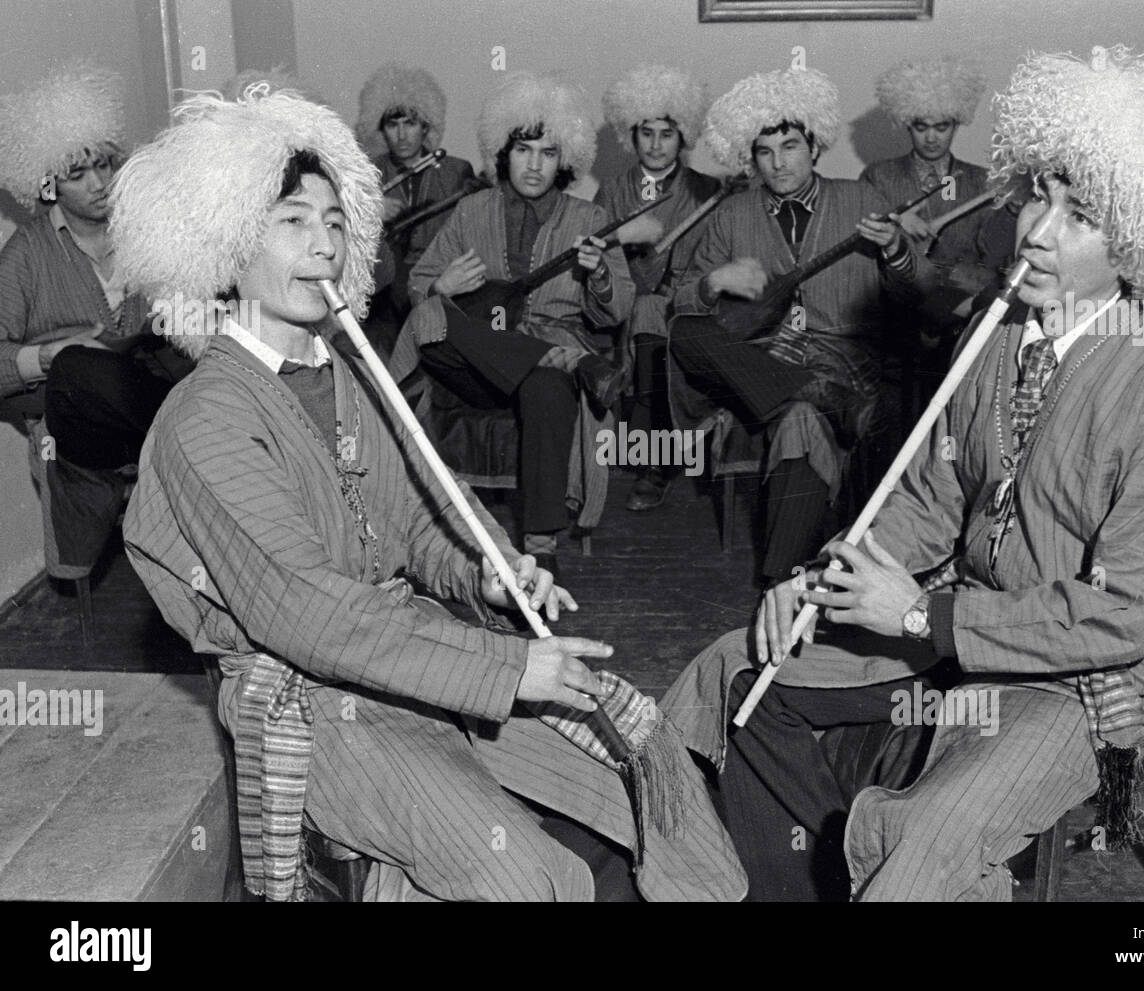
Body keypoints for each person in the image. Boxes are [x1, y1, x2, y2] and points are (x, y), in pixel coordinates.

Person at [114, 86, 743, 902]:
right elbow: (307, 611)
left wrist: (484, 569)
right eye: (294, 222)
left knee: (636, 776)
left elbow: (417, 518)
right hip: (323, 707)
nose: (326, 247)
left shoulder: (346, 372)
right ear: (228, 245)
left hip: (420, 650)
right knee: (529, 874)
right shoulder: (204, 419)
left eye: (337, 223)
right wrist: (512, 665)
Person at [662, 44, 1144, 901]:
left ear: (1138, 242)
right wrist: (822, 578)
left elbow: (1125, 614)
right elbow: (927, 497)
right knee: (747, 678)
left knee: (929, 834)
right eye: (1038, 200)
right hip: (945, 628)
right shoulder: (999, 336)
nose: (1039, 231)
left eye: (1080, 215)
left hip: (1076, 680)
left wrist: (918, 612)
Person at [669, 67, 934, 584]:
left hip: (845, 362)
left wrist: (894, 247)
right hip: (761, 362)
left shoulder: (860, 199)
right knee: (685, 332)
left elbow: (922, 289)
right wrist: (712, 281)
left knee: (797, 422)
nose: (778, 163)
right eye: (764, 152)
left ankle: (777, 582)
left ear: (814, 146)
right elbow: (678, 300)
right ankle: (808, 392)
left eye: (790, 146)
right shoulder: (732, 214)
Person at [397, 72, 636, 576]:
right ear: (503, 152)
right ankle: (566, 361)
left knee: (547, 385)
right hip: (472, 366)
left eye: (548, 153)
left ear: (564, 158)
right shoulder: (470, 211)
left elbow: (617, 312)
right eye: (524, 150)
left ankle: (540, 542)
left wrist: (597, 280)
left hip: (542, 360)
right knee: (434, 316)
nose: (534, 164)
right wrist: (442, 287)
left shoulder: (588, 219)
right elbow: (417, 291)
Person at [0, 63, 189, 582]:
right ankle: (194, 433)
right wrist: (50, 356)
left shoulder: (145, 230)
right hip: (83, 426)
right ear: (46, 185)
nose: (101, 184)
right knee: (82, 368)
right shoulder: (25, 254)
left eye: (106, 165)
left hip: (150, 403)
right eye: (78, 174)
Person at [596, 64, 719, 511]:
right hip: (625, 308)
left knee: (654, 313)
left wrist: (676, 288)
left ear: (683, 137)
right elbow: (595, 257)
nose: (655, 144)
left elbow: (715, 255)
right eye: (646, 133)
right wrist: (620, 238)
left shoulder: (708, 190)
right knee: (646, 311)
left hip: (693, 305)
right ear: (632, 135)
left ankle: (658, 459)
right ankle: (657, 459)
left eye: (666, 134)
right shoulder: (612, 191)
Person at [863, 57, 1008, 360]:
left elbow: (993, 258)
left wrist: (971, 278)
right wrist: (898, 220)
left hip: (959, 317)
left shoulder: (982, 182)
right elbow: (863, 240)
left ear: (956, 124)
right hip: (894, 313)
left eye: (941, 127)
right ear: (907, 124)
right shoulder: (878, 177)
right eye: (921, 127)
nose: (931, 137)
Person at [356, 63, 478, 316]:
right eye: (392, 124)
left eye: (410, 123)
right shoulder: (367, 174)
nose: (401, 135)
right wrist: (369, 212)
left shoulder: (456, 171)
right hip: (385, 293)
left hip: (442, 282)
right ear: (381, 130)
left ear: (426, 126)